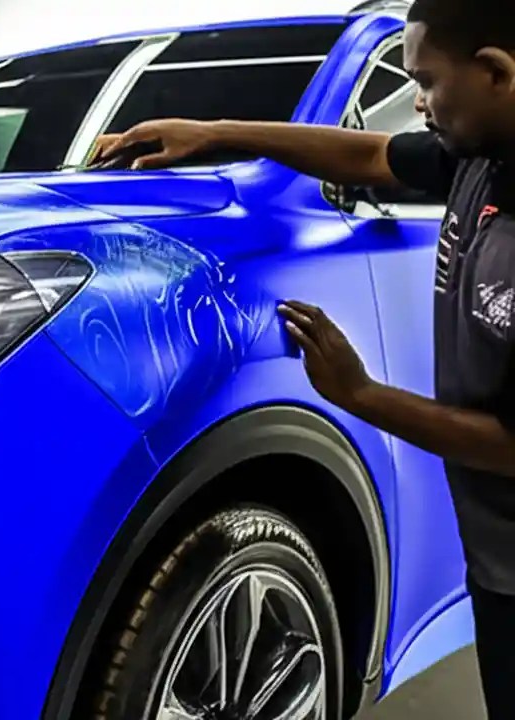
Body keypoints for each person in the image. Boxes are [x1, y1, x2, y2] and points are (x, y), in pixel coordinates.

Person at [95, 0, 515, 715]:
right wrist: (214, 134)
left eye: (426, 80)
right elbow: (370, 156)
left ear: (495, 72)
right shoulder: (479, 157)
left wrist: (359, 395)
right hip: (495, 547)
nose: (415, 101)